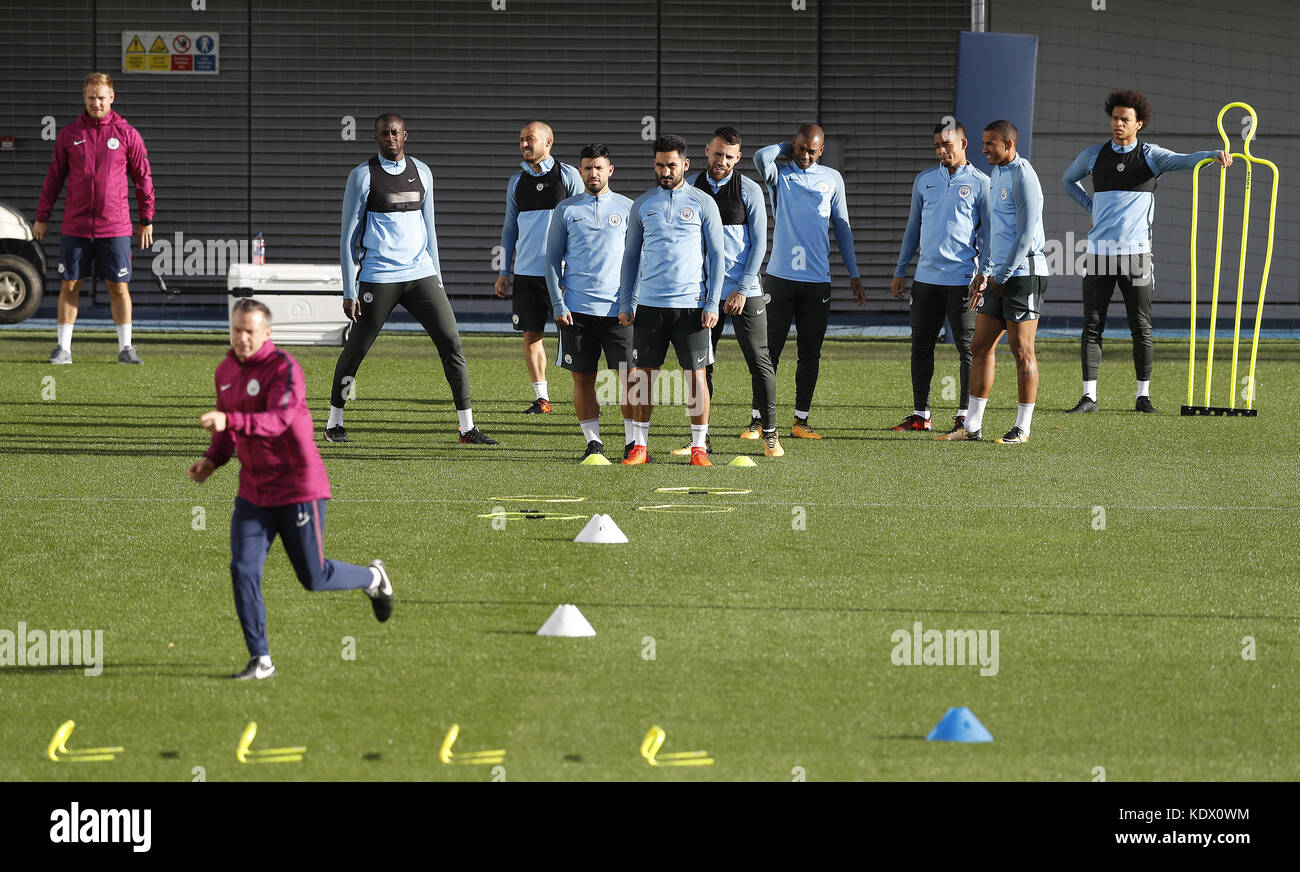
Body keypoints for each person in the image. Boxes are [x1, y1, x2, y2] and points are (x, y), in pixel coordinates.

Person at [188, 299, 394, 680]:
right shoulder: (226, 371)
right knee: (243, 569)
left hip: (299, 487)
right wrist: (212, 462)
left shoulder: (284, 368)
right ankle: (261, 659)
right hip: (254, 493)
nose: (242, 338)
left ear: (268, 333)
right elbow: (228, 433)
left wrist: (228, 419)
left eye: (249, 331)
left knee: (313, 578)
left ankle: (373, 578)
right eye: (236, 330)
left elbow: (278, 420)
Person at [326, 113, 496, 445]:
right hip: (379, 277)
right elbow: (348, 237)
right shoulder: (362, 176)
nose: (390, 137)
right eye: (384, 133)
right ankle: (334, 422)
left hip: (422, 275)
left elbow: (429, 227)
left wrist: (439, 278)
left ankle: (467, 428)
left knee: (452, 343)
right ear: (376, 138)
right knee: (357, 349)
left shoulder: (423, 172)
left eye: (396, 132)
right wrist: (350, 289)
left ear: (406, 136)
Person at [1062, 90, 1233, 414]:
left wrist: (1213, 154)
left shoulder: (1151, 156)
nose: (1118, 124)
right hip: (1099, 254)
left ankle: (1143, 397)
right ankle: (1089, 397)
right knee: (1092, 324)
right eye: (1114, 118)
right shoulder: (1093, 156)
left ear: (1138, 123)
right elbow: (1068, 180)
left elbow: (1185, 161)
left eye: (1125, 119)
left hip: (1137, 256)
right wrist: (1091, 205)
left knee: (1140, 326)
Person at [670, 126, 782, 459]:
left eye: (729, 156)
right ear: (706, 151)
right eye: (717, 154)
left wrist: (743, 289)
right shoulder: (687, 188)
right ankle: (699, 440)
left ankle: (771, 434)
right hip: (703, 295)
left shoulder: (748, 189)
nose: (722, 161)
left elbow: (760, 244)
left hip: (743, 292)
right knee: (700, 368)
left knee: (759, 361)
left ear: (738, 158)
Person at [618, 134, 726, 467]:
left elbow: (718, 257)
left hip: (691, 307)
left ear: (685, 165)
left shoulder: (703, 202)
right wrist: (626, 302)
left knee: (695, 378)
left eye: (672, 165)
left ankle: (698, 449)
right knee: (643, 378)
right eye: (660, 165)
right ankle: (640, 447)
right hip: (649, 306)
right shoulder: (643, 204)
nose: (665, 171)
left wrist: (712, 304)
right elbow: (630, 257)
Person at [937, 120, 1046, 445]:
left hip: (1024, 274)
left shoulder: (1024, 176)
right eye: (983, 143)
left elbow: (1026, 234)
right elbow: (995, 232)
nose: (983, 150)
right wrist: (985, 272)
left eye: (990, 144)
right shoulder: (997, 173)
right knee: (980, 345)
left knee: (1022, 350)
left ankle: (1022, 428)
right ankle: (972, 426)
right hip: (998, 275)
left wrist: (1004, 273)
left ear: (1009, 145)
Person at [35, 72, 154, 365]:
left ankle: (125, 348)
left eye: (101, 97)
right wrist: (42, 216)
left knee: (118, 287)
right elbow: (53, 178)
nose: (96, 103)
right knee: (70, 284)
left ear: (111, 98)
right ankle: (63, 349)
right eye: (91, 97)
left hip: (114, 226)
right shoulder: (69, 135)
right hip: (75, 225)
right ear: (84, 98)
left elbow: (143, 179)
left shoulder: (127, 134)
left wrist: (146, 219)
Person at [754, 124, 863, 439]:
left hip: (817, 282)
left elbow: (842, 227)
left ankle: (800, 421)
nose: (804, 155)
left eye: (811, 151)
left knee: (809, 352)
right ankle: (758, 419)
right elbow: (761, 157)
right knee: (768, 351)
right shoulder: (780, 174)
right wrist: (784, 146)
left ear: (822, 151)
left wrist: (854, 273)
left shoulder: (832, 179)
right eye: (800, 149)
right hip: (779, 279)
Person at [890, 119, 989, 434]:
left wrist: (984, 273)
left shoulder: (981, 183)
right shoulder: (924, 180)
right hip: (925, 280)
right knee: (921, 345)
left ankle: (964, 415)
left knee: (968, 348)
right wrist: (900, 270)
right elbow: (912, 228)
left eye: (947, 144)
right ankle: (921, 414)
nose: (941, 150)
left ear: (963, 144)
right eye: (937, 146)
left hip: (963, 280)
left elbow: (990, 235)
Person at [545, 144, 636, 461]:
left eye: (599, 167)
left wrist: (633, 302)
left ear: (610, 170)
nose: (593, 173)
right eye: (587, 168)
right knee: (583, 380)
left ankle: (633, 444)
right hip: (576, 312)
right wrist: (558, 303)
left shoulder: (628, 208)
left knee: (629, 381)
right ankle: (593, 443)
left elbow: (640, 260)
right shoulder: (566, 210)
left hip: (619, 313)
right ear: (580, 172)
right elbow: (552, 260)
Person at [495, 122, 584, 414]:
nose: (524, 144)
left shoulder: (569, 175)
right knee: (531, 335)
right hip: (526, 274)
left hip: (563, 275)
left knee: (572, 335)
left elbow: (584, 222)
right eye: (521, 139)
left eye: (530, 139)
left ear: (548, 142)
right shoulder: (516, 182)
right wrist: (504, 273)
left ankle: (582, 394)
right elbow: (509, 228)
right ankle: (542, 399)